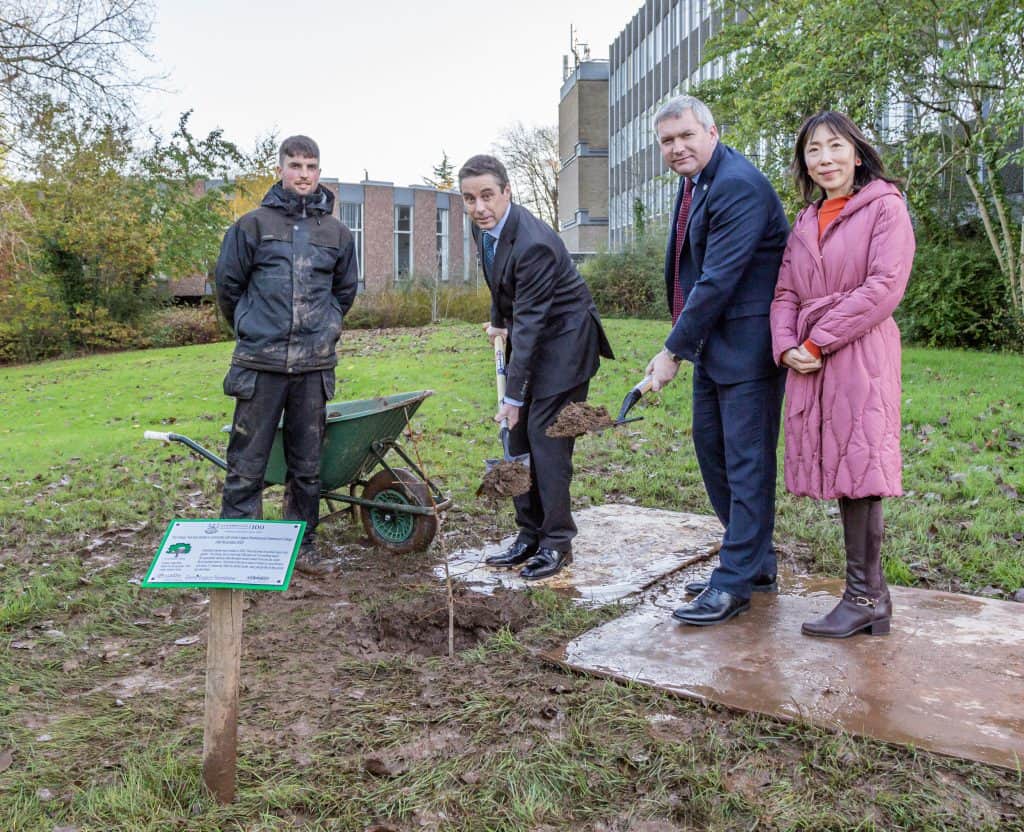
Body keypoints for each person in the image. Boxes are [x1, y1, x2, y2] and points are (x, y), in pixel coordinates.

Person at [644, 96, 790, 626]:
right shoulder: (697, 183)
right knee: (714, 455)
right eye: (667, 140)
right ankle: (756, 563)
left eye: (686, 135)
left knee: (746, 465)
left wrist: (672, 350)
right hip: (715, 345)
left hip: (747, 350)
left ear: (712, 131)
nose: (677, 147)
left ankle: (733, 582)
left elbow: (717, 280)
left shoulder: (737, 185)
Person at [770, 111, 915, 638]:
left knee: (860, 466)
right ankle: (871, 595)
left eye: (834, 147)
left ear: (857, 153)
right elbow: (785, 292)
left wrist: (816, 338)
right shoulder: (806, 220)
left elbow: (884, 286)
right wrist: (786, 346)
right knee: (842, 464)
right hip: (810, 356)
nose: (824, 158)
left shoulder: (885, 207)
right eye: (813, 150)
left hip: (860, 352)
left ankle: (864, 596)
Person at [459, 154, 614, 580]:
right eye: (470, 199)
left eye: (488, 196)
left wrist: (512, 396)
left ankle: (557, 542)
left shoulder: (534, 243)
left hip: (566, 345)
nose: (479, 207)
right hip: (533, 334)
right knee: (516, 438)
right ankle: (528, 534)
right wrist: (498, 322)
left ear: (507, 192)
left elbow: (529, 326)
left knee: (546, 442)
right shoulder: (486, 229)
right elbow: (500, 284)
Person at [215, 135, 359, 574]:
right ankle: (241, 550)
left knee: (307, 465)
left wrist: (328, 325)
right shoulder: (251, 227)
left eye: (311, 166)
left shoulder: (335, 233)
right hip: (260, 364)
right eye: (294, 165)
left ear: (319, 172)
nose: (303, 174)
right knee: (247, 463)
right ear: (281, 169)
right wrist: (250, 326)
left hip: (314, 366)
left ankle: (301, 547)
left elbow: (345, 291)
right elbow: (228, 288)